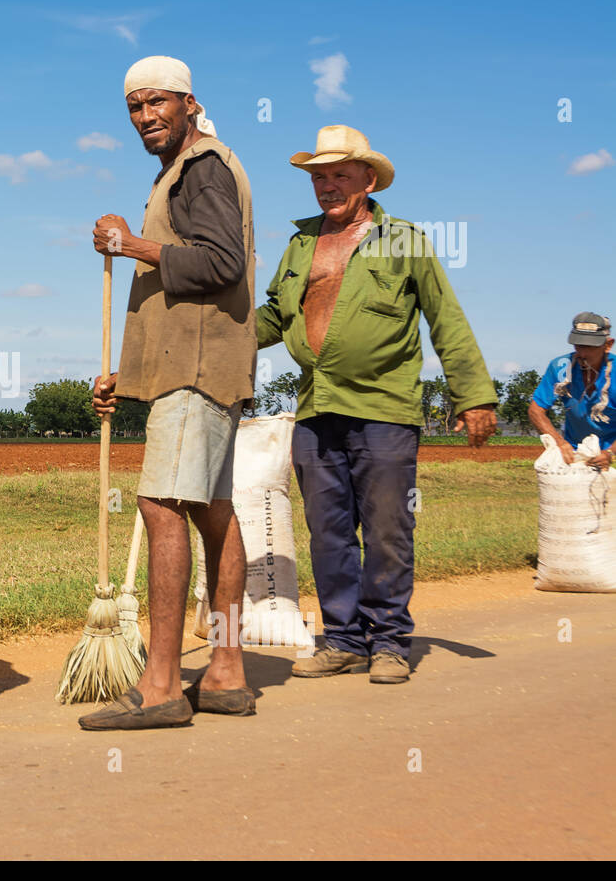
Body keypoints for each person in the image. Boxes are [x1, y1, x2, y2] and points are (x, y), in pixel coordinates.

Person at [256, 125, 497, 685]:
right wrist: (212, 339)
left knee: (388, 528)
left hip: (385, 407)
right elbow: (271, 317)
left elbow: (446, 317)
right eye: (319, 177)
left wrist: (475, 395)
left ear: (368, 179)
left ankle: (388, 641)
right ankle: (342, 640)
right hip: (316, 408)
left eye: (340, 175)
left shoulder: (405, 238)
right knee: (328, 529)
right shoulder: (299, 245)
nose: (328, 186)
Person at [78, 55, 257, 731]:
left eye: (157, 103)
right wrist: (129, 377)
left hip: (198, 368)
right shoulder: (190, 170)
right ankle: (227, 669)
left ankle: (160, 685)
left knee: (160, 504)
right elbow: (191, 301)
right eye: (134, 106)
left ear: (188, 103)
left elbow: (221, 263)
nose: (145, 116)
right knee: (213, 508)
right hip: (203, 362)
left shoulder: (201, 168)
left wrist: (132, 245)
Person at [529, 312, 615, 468]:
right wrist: (559, 442)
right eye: (579, 345)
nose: (582, 353)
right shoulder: (561, 367)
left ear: (608, 345)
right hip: (574, 453)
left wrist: (609, 453)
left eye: (590, 347)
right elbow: (536, 410)